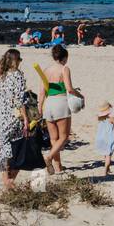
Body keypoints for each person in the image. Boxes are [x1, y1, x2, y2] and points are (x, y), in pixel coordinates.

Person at [0, 48, 29, 189]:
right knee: (20, 149)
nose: (20, 63)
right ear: (16, 61)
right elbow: (19, 100)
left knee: (4, 150)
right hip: (13, 118)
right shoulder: (17, 75)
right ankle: (10, 181)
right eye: (19, 60)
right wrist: (25, 118)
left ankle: (6, 181)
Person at [39, 44, 78, 174]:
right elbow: (69, 88)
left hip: (48, 104)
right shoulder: (64, 69)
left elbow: (42, 91)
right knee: (64, 137)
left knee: (53, 138)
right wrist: (80, 95)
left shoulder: (46, 70)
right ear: (64, 57)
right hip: (60, 103)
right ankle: (48, 157)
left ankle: (58, 167)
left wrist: (40, 106)